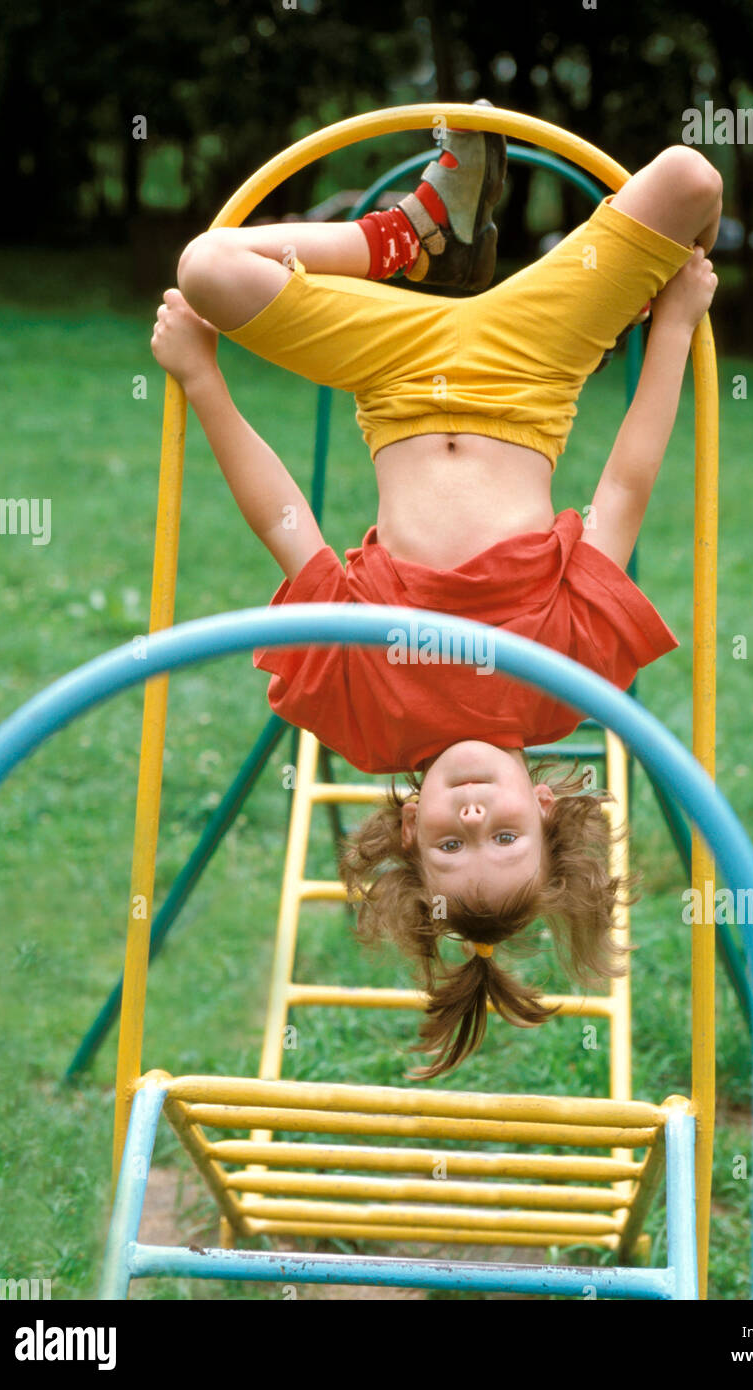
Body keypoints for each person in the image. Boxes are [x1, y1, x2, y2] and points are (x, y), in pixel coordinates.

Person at [150, 113, 721, 1076]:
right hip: (528, 365)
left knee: (207, 270)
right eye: (502, 835)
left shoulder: (365, 720)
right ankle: (458, 253)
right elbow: (623, 489)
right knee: (690, 181)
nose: (469, 819)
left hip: (395, 370)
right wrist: (670, 325)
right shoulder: (565, 688)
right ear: (543, 806)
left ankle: (409, 237)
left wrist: (206, 382)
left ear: (408, 829)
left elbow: (290, 529)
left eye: (452, 848)